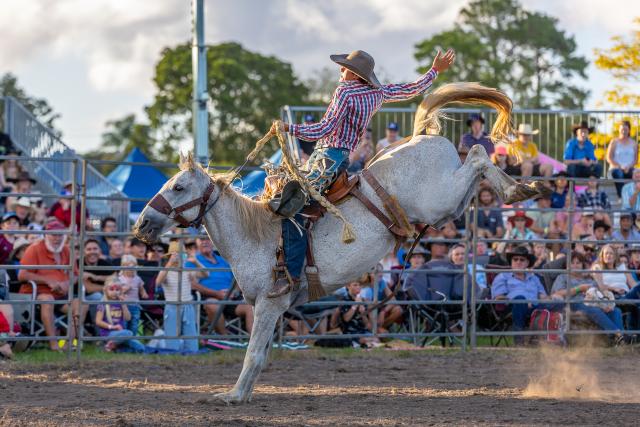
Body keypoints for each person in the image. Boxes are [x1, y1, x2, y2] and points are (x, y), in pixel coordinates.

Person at [267, 48, 456, 298]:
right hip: (341, 158)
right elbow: (409, 89)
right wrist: (434, 72)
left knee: (292, 208)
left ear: (354, 74)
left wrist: (289, 128)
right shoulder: (376, 93)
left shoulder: (344, 91)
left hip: (327, 159)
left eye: (344, 68)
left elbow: (325, 128)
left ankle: (290, 274)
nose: (340, 70)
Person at [18, 219, 78, 351]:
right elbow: (22, 275)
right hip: (36, 295)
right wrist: (47, 280)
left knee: (81, 305)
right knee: (47, 299)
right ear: (45, 235)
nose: (57, 238)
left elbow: (75, 275)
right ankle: (54, 345)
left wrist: (66, 283)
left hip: (61, 295)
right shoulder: (34, 248)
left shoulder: (67, 250)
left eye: (60, 234)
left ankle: (68, 344)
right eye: (53, 234)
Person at [551, 252, 624, 344]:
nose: (575, 265)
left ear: (582, 265)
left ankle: (618, 340)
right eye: (572, 263)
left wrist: (605, 305)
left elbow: (600, 294)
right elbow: (558, 293)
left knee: (615, 310)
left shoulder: (588, 279)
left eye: (578, 263)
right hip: (574, 304)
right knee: (591, 308)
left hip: (594, 303)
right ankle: (618, 335)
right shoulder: (562, 277)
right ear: (567, 266)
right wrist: (579, 288)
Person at [185, 238, 254, 335]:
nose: (205, 241)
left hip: (231, 297)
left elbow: (238, 278)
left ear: (213, 241)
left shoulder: (223, 260)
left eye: (208, 239)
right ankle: (225, 338)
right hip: (209, 297)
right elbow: (192, 284)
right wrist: (216, 294)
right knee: (212, 305)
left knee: (252, 306)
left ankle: (255, 342)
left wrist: (234, 291)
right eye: (201, 239)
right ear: (196, 242)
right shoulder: (193, 260)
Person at [490, 245, 550, 344]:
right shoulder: (502, 276)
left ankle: (562, 339)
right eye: (515, 259)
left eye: (522, 260)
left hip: (535, 307)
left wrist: (552, 299)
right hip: (511, 307)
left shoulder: (534, 278)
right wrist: (523, 302)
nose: (518, 262)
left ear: (527, 263)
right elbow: (498, 297)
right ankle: (519, 340)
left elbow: (543, 296)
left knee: (558, 302)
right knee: (520, 299)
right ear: (511, 262)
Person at [156, 246, 199, 352]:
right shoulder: (166, 271)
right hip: (172, 307)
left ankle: (191, 353)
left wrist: (196, 262)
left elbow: (206, 274)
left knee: (192, 343)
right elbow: (158, 282)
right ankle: (172, 353)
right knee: (172, 343)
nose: (180, 258)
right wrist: (170, 263)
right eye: (177, 255)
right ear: (171, 256)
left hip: (188, 306)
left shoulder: (188, 270)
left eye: (183, 255)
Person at [95, 277, 145, 352]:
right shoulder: (103, 304)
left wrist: (123, 304)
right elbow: (98, 322)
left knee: (141, 348)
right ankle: (110, 343)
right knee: (129, 333)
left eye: (117, 290)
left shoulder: (121, 302)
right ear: (105, 290)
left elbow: (128, 318)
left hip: (121, 334)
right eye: (111, 289)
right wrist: (113, 327)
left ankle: (113, 347)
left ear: (120, 291)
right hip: (108, 334)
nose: (115, 292)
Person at [339, 279, 380, 347]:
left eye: (359, 285)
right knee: (368, 341)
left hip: (363, 331)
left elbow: (368, 325)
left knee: (376, 340)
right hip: (349, 332)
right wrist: (355, 306)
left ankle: (362, 346)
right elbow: (346, 319)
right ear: (348, 286)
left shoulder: (363, 300)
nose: (358, 287)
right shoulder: (344, 300)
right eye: (355, 285)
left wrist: (363, 313)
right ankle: (360, 345)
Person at [118, 255, 148, 336]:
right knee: (124, 324)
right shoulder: (120, 279)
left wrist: (143, 293)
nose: (131, 268)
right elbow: (118, 292)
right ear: (123, 267)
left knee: (134, 325)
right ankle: (125, 340)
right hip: (124, 307)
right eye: (128, 266)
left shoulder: (137, 278)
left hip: (135, 306)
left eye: (133, 266)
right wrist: (125, 288)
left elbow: (141, 288)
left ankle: (133, 339)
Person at [606, 121, 637, 198]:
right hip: (615, 169)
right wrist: (620, 166)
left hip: (629, 169)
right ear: (619, 130)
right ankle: (622, 197)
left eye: (626, 129)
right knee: (619, 174)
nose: (624, 131)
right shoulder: (614, 142)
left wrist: (628, 167)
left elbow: (635, 160)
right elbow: (609, 158)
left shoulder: (634, 143)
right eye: (622, 129)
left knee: (637, 174)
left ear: (629, 130)